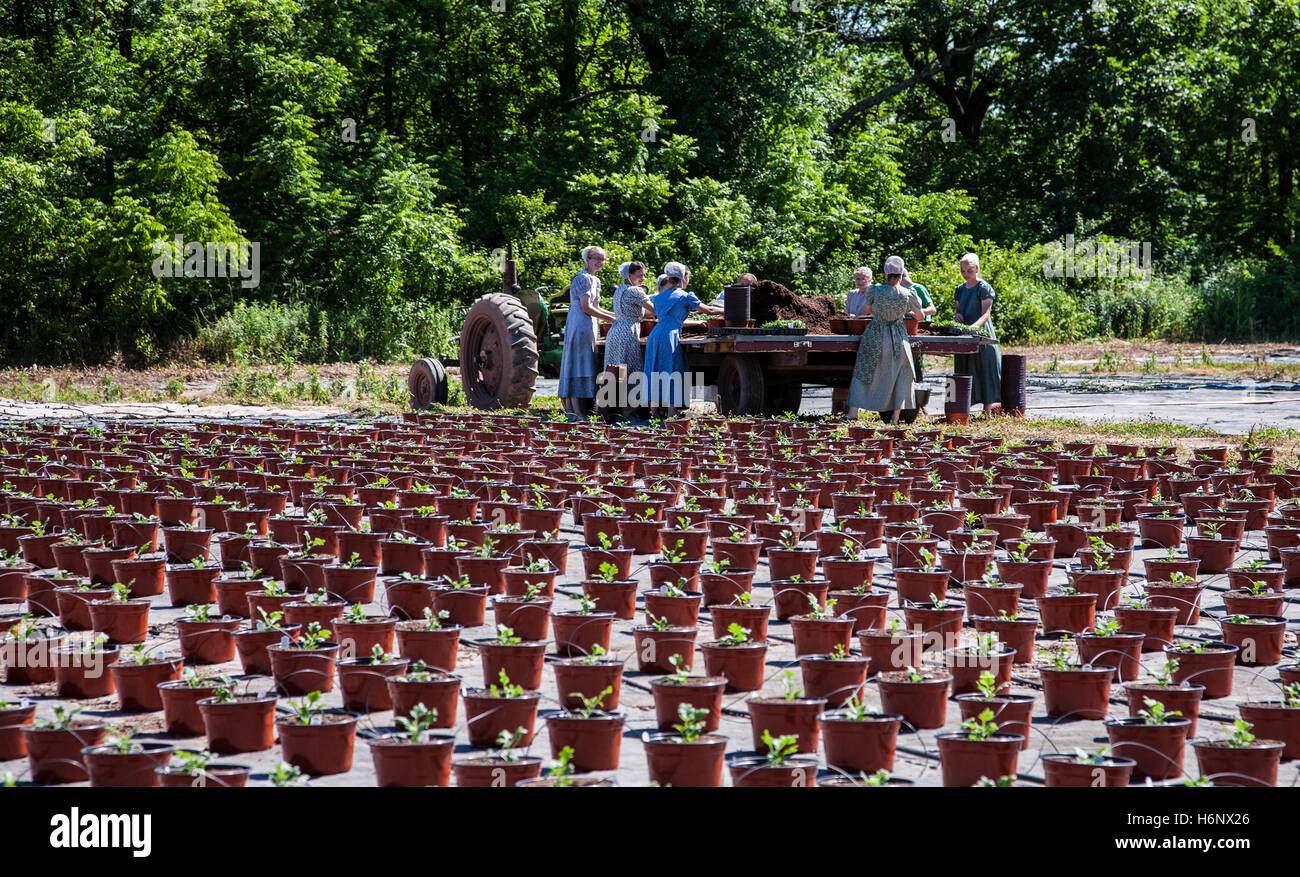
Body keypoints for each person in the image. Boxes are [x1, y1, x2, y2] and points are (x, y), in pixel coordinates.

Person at [846, 255, 924, 424]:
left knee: (865, 370)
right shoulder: (908, 293)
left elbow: (868, 309)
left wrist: (880, 310)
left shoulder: (875, 290)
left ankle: (853, 412)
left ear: (886, 272)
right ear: (902, 274)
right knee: (901, 374)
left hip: (876, 332)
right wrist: (906, 312)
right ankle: (895, 418)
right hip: (898, 336)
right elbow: (920, 316)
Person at [644, 262, 723, 418]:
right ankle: (672, 413)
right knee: (673, 370)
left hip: (655, 335)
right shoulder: (685, 296)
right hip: (670, 336)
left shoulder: (659, 297)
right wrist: (730, 310)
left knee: (654, 370)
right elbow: (709, 310)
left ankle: (655, 413)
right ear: (682, 278)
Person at [558, 245, 616, 418]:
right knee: (578, 363)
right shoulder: (584, 278)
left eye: (602, 259)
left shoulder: (595, 280)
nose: (599, 262)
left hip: (588, 322)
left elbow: (596, 307)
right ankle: (575, 410)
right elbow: (586, 307)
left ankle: (573, 409)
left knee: (584, 361)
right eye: (596, 258)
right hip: (580, 322)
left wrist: (616, 315)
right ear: (587, 259)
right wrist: (612, 319)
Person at [952, 252, 1002, 415]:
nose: (966, 274)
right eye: (963, 271)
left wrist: (974, 328)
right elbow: (958, 311)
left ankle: (987, 410)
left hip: (982, 333)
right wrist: (958, 317)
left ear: (977, 269)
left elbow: (985, 314)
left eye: (969, 271)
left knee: (984, 368)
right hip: (964, 334)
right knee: (964, 367)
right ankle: (963, 408)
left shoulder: (984, 288)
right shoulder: (959, 290)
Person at [603, 261, 655, 412]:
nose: (643, 279)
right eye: (640, 275)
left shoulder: (621, 289)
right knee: (630, 369)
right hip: (628, 331)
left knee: (615, 369)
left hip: (615, 331)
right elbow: (654, 310)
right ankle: (629, 409)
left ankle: (612, 408)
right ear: (629, 275)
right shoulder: (635, 290)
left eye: (644, 275)